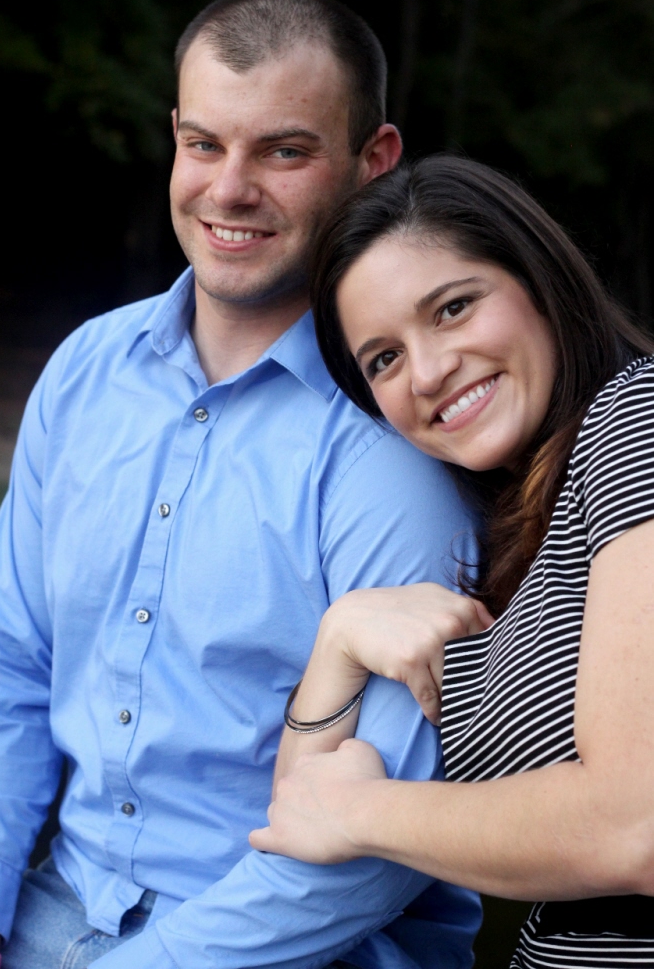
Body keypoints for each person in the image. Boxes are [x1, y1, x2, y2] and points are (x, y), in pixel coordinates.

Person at [0, 0, 483, 969]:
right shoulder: (86, 370)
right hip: (57, 904)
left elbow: (374, 846)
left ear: (372, 162)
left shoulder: (400, 446)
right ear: (174, 135)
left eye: (284, 151)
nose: (229, 189)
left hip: (296, 944)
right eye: (206, 144)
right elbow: (11, 663)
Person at [251, 155, 654, 967]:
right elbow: (301, 815)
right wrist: (338, 638)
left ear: (539, 281)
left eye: (454, 308)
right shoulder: (509, 551)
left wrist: (369, 813)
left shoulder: (635, 418)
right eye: (384, 360)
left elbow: (635, 823)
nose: (429, 372)